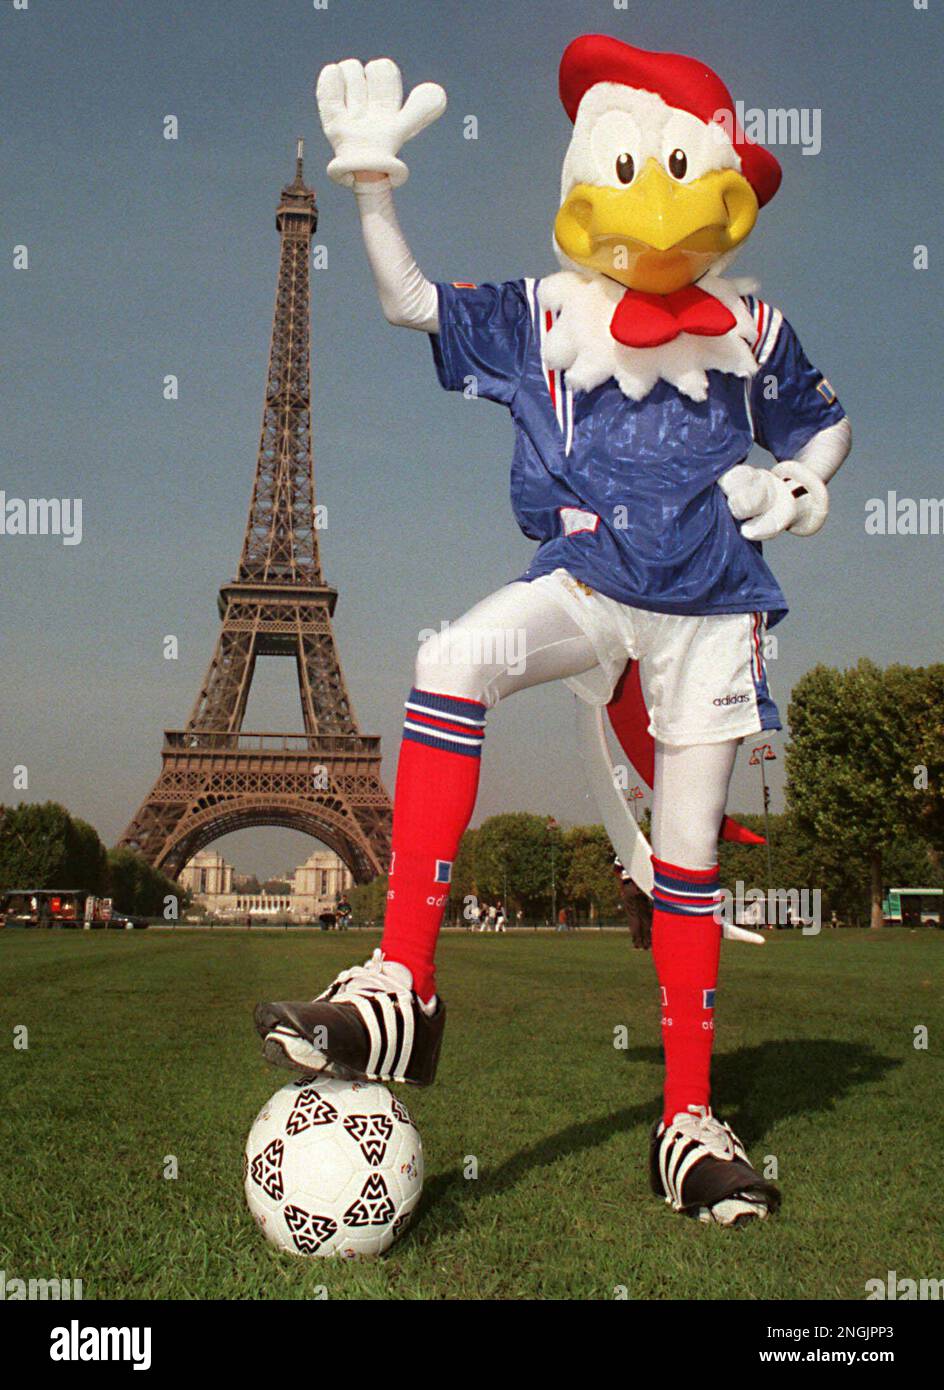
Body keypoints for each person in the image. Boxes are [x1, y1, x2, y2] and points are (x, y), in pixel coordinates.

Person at [256, 37, 850, 1227]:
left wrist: (795, 486)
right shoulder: (549, 311)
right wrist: (370, 185)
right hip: (586, 580)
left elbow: (822, 424)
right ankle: (403, 982)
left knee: (685, 865)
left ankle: (685, 1120)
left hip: (710, 610)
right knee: (450, 657)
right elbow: (408, 301)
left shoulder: (750, 327)